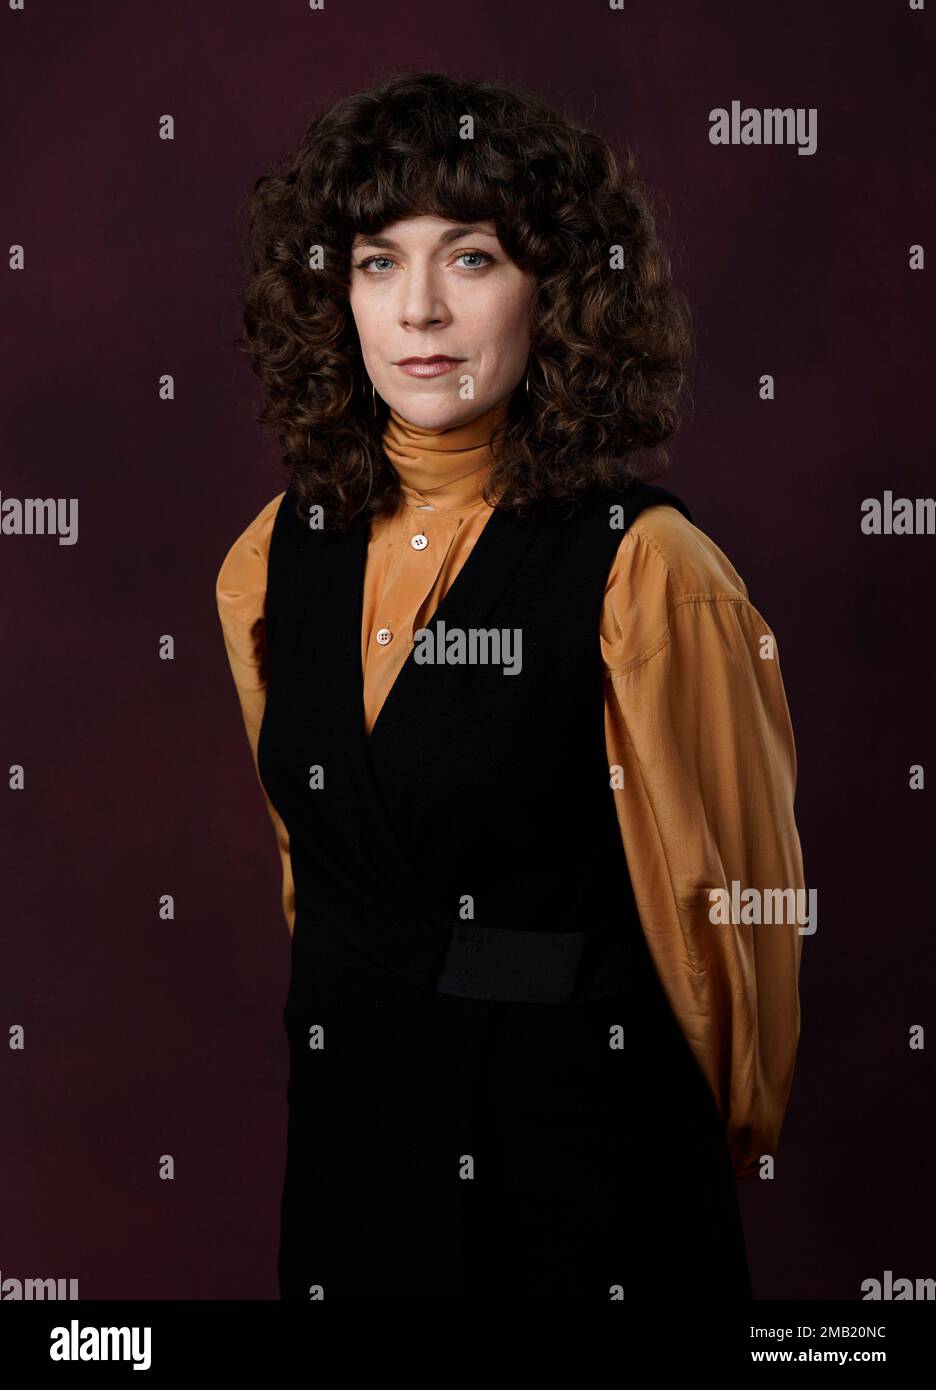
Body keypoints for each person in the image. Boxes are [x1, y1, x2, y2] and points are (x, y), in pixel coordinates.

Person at [215, 70, 804, 1301]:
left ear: (561, 289)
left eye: (472, 258)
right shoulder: (270, 556)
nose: (420, 308)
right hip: (350, 1157)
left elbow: (729, 916)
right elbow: (314, 871)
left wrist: (695, 1147)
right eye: (378, 262)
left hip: (589, 1171)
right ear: (335, 294)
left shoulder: (650, 567)